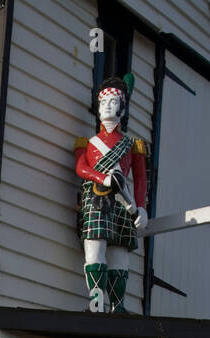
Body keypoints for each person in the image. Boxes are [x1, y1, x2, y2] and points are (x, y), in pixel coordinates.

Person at [75, 73, 149, 313]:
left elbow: (140, 179)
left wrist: (141, 207)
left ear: (123, 107)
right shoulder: (87, 144)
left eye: (114, 101)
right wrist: (102, 177)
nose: (107, 106)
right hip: (96, 198)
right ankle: (97, 303)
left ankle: (118, 306)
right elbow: (81, 168)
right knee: (95, 250)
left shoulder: (132, 145)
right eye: (103, 102)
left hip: (122, 201)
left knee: (119, 255)